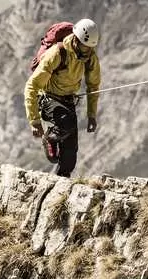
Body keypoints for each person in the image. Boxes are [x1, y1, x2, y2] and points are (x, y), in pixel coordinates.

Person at [24, 18, 102, 177]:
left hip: (68, 101)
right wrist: (34, 121)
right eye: (84, 47)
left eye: (89, 48)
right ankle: (49, 139)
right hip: (48, 98)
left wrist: (92, 115)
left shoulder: (90, 57)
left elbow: (93, 86)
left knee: (70, 153)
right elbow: (32, 86)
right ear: (75, 39)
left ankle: (62, 180)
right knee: (67, 122)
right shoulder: (57, 53)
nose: (86, 52)